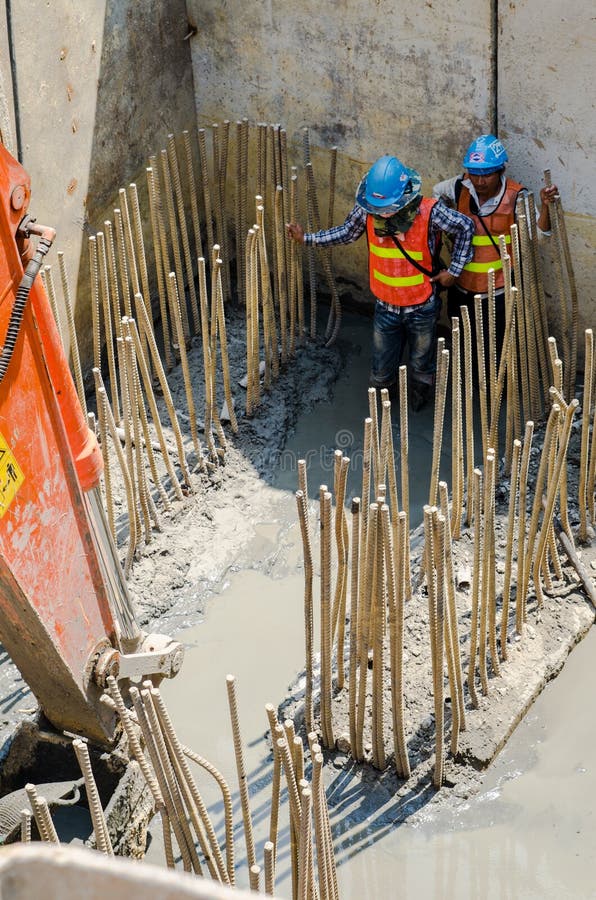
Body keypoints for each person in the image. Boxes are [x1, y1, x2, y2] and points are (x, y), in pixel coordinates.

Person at [286, 155, 474, 411]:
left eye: (389, 207)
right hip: (386, 306)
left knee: (421, 361)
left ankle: (420, 393)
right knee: (382, 366)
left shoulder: (430, 211)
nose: (383, 213)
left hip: (422, 305)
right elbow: (346, 233)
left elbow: (465, 227)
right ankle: (384, 400)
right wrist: (306, 239)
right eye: (379, 208)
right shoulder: (367, 210)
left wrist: (454, 270)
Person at [432, 133, 558, 359]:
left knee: (495, 352)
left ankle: (491, 391)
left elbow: (539, 237)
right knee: (462, 348)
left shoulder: (517, 196)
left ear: (501, 171)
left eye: (487, 175)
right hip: (460, 289)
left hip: (497, 293)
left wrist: (546, 207)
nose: (479, 182)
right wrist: (448, 224)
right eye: (475, 174)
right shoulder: (460, 187)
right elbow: (436, 193)